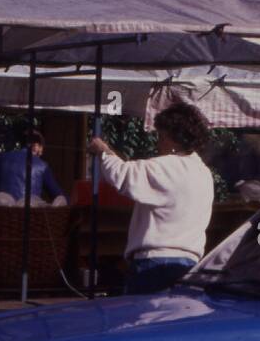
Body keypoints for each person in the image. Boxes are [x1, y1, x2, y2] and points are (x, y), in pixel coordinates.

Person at [88, 104, 215, 295]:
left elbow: (122, 175)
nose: (158, 143)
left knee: (142, 322)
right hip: (189, 266)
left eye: (161, 136)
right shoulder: (204, 173)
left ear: (173, 139)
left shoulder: (166, 167)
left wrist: (103, 151)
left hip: (154, 265)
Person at [0, 130, 65, 203]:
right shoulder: (42, 166)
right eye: (41, 149)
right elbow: (60, 198)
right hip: (28, 214)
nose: (41, 154)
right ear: (36, 146)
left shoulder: (0, 158)